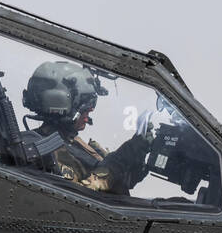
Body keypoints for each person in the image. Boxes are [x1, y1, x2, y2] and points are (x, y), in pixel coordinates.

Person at [22, 60, 153, 194]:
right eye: (85, 111)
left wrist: (139, 151)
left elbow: (123, 181)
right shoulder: (42, 151)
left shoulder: (73, 143)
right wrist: (125, 154)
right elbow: (82, 195)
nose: (87, 117)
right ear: (64, 107)